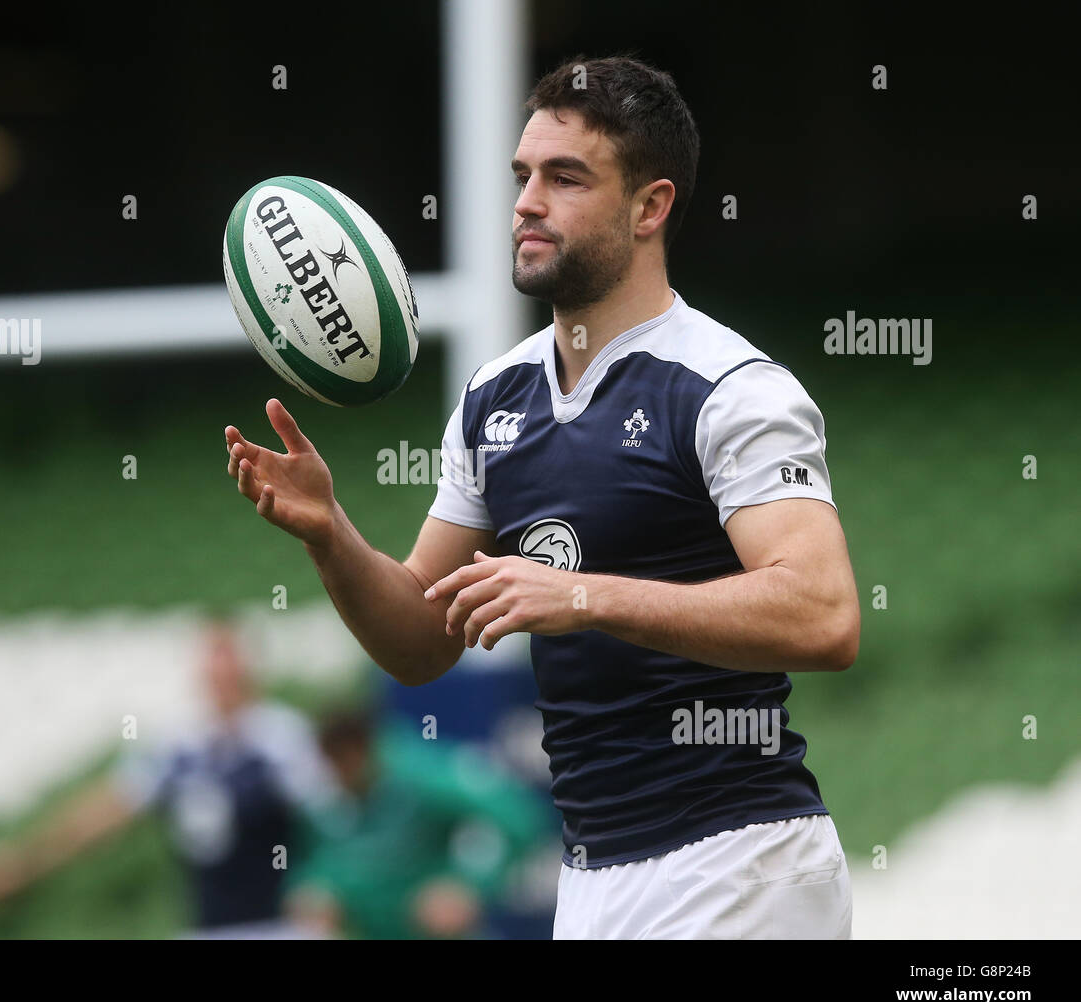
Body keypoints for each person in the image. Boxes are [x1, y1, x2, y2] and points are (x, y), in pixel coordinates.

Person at [224, 54, 859, 940]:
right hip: (592, 875)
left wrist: (583, 594)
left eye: (566, 178)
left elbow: (825, 614)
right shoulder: (495, 397)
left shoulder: (730, 388)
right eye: (523, 175)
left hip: (738, 857)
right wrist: (330, 533)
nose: (526, 201)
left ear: (651, 206)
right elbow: (418, 642)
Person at [0, 624, 337, 937]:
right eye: (214, 665)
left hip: (281, 928)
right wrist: (28, 861)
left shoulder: (281, 739)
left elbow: (331, 819)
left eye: (230, 664)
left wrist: (324, 884)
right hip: (208, 927)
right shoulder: (179, 746)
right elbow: (108, 813)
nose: (222, 677)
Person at [283, 705, 548, 940]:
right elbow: (315, 860)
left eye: (341, 764)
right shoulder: (325, 793)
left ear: (360, 751)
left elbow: (516, 814)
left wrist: (468, 884)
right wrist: (314, 889)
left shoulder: (421, 775)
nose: (335, 776)